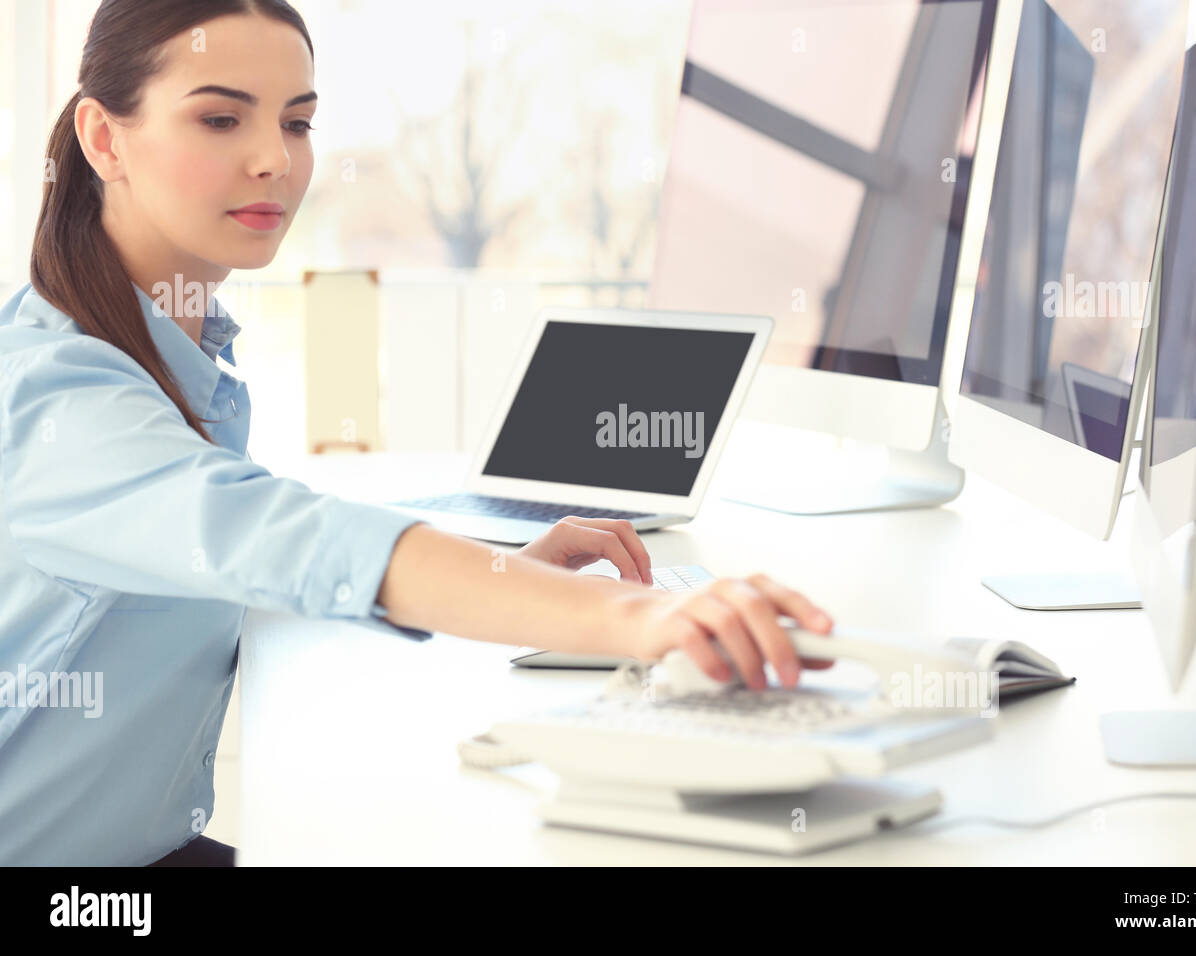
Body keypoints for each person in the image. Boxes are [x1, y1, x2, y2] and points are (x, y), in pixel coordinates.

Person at [0, 0, 835, 867]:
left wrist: (506, 574)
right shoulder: (58, 396)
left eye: (299, 122)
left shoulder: (165, 351)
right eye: (220, 118)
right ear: (103, 138)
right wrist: (643, 616)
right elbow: (282, 534)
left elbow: (224, 555)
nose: (273, 160)